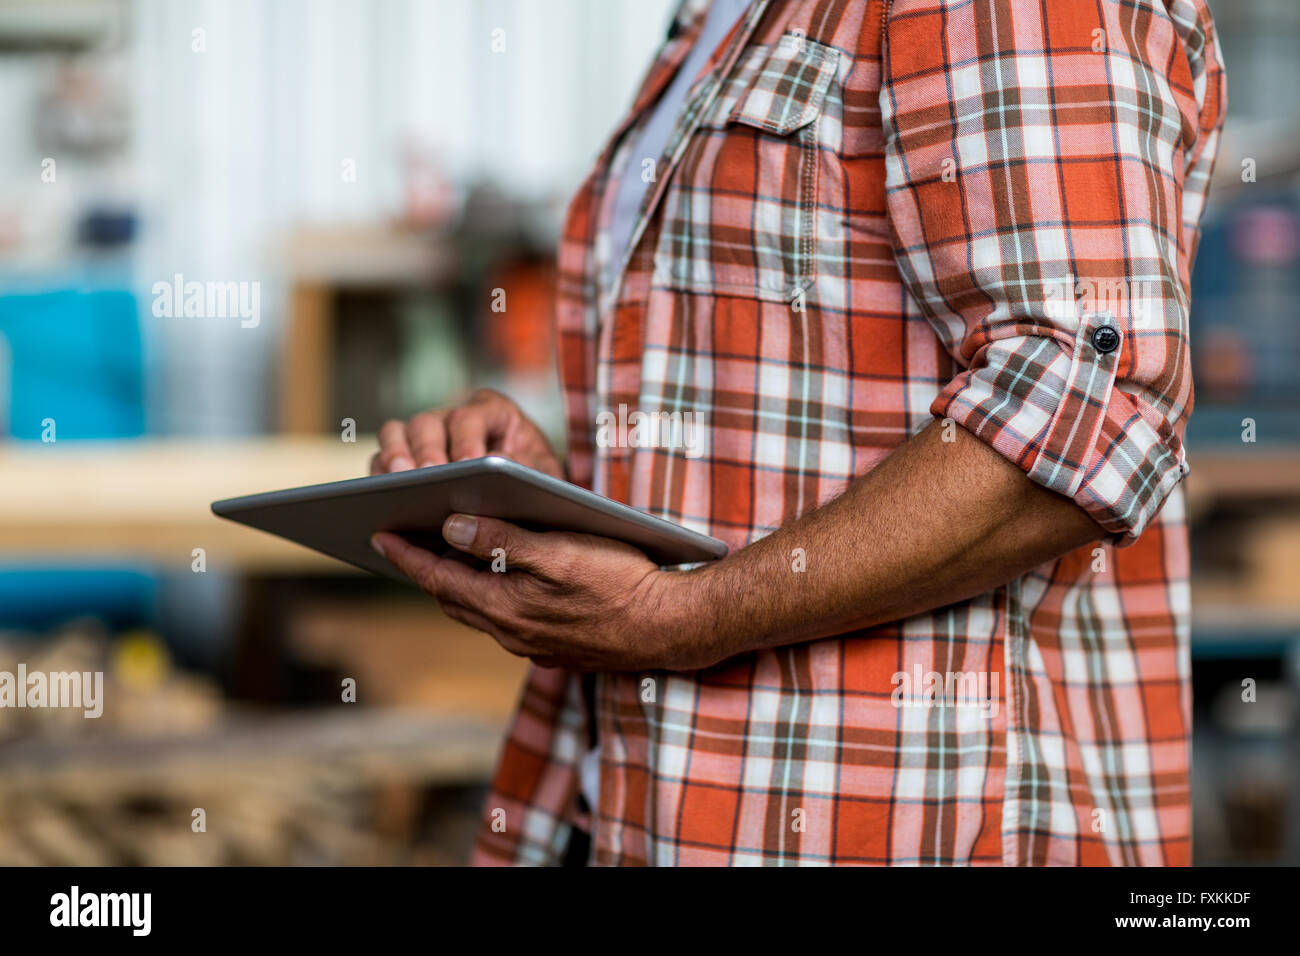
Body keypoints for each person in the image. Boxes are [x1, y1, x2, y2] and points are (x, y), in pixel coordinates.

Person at [368, 0, 1226, 865]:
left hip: (905, 819)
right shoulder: (714, 16)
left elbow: (1087, 409)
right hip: (646, 798)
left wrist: (682, 615)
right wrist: (559, 491)